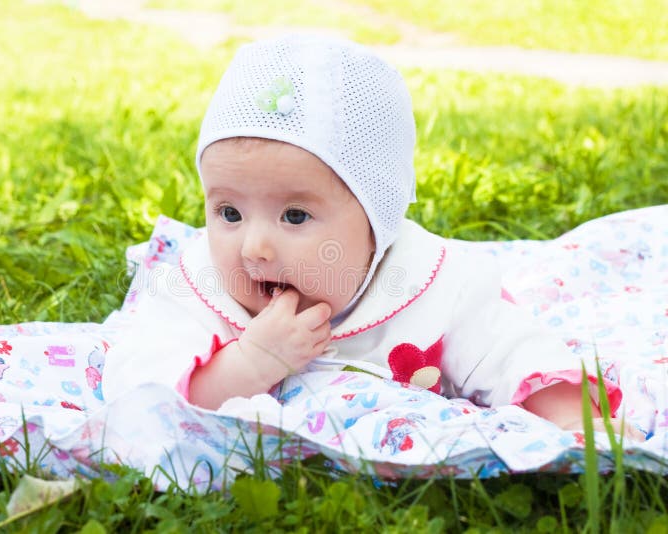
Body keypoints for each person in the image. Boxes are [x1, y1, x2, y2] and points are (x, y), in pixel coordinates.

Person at [101, 34, 640, 439]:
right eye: (228, 212)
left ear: (376, 222)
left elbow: (510, 347)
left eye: (293, 216)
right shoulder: (199, 288)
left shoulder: (427, 282)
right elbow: (141, 389)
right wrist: (248, 364)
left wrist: (572, 416)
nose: (253, 248)